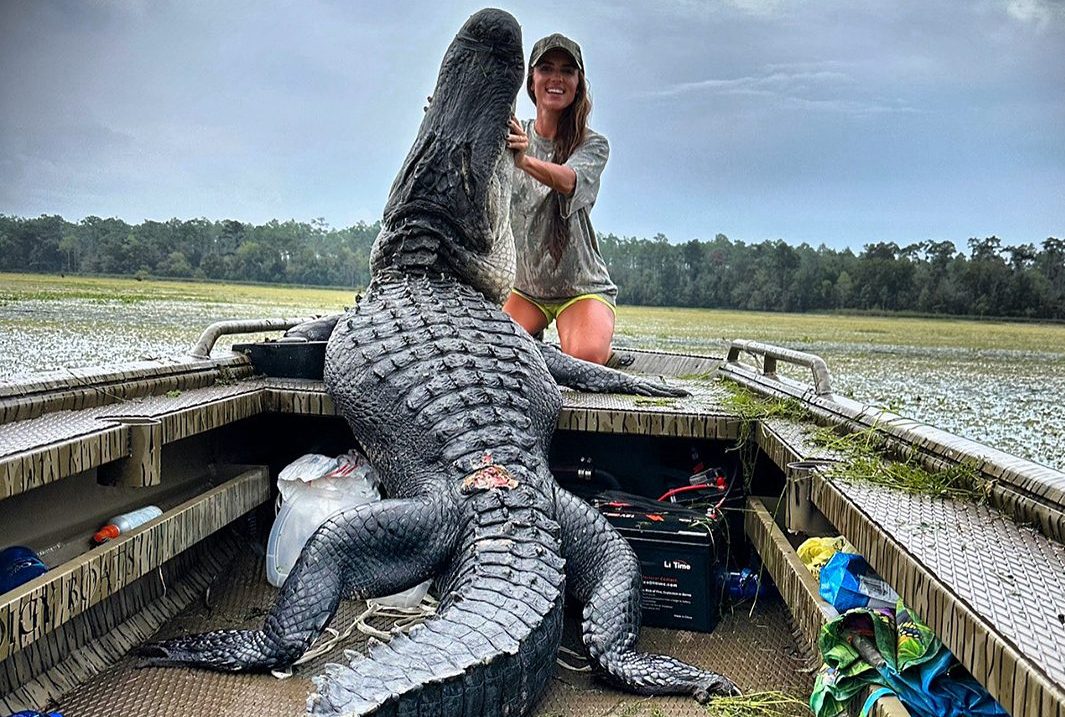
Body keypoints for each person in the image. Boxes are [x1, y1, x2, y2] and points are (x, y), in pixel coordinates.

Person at [504, 33, 618, 366]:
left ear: (578, 82)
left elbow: (568, 181)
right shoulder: (510, 132)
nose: (556, 78)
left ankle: (595, 344)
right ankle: (535, 342)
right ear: (532, 80)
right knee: (491, 353)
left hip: (579, 285)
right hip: (524, 287)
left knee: (585, 357)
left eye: (567, 71)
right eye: (547, 69)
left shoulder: (593, 145)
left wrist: (524, 161)